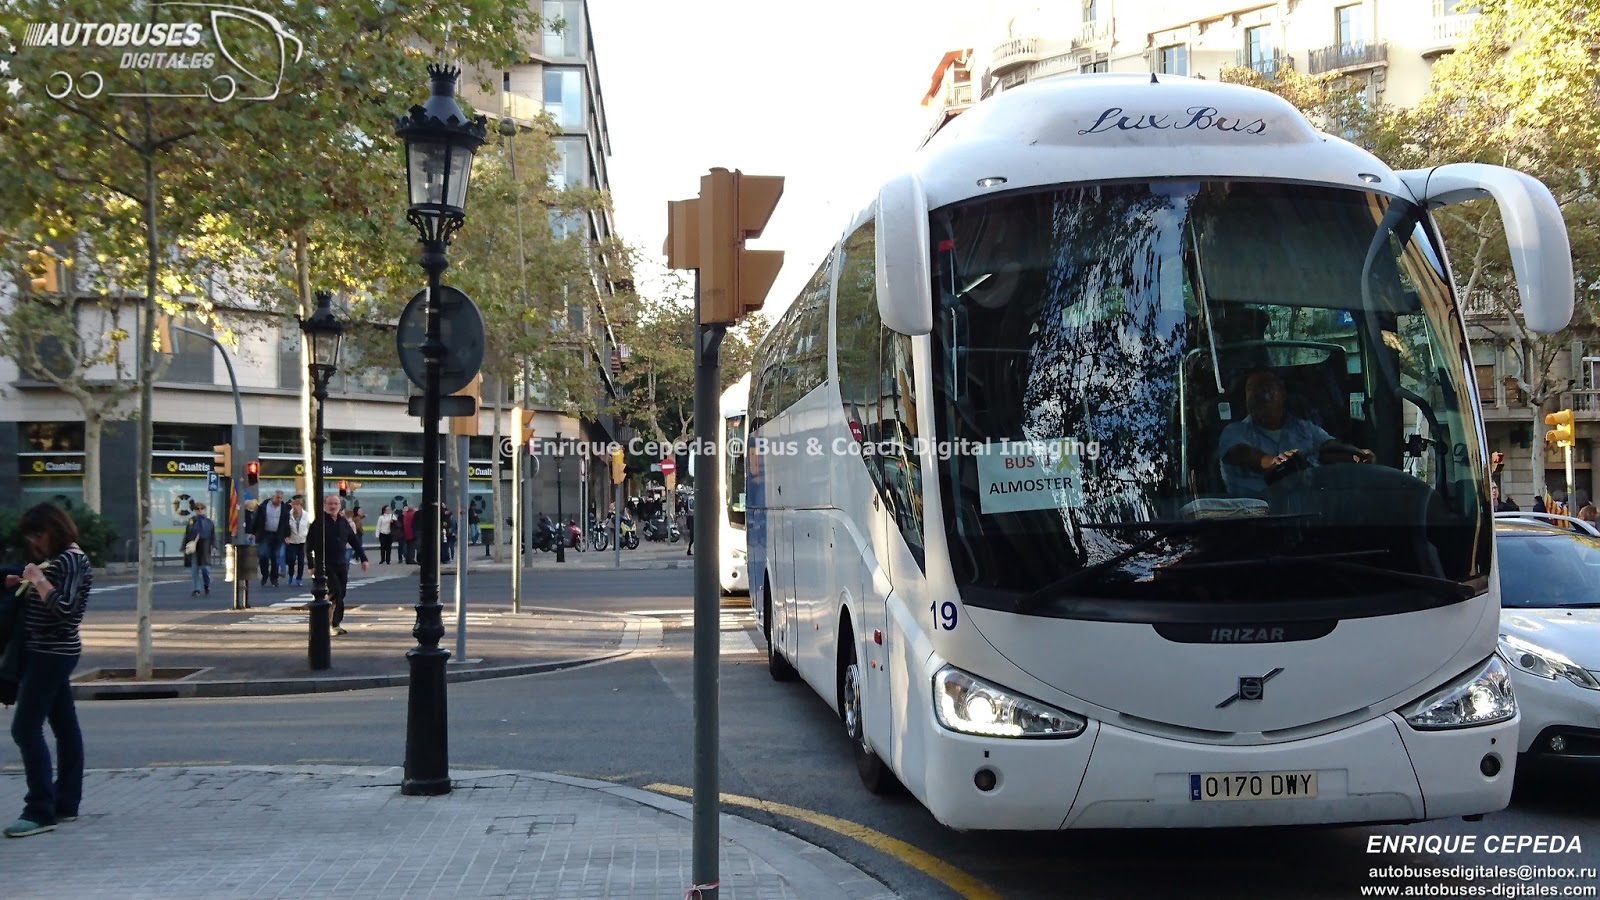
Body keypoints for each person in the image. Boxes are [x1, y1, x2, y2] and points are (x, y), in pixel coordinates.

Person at [2, 503, 91, 837]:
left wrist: (38, 580)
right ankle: (65, 801)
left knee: (25, 729)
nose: (34, 544)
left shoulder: (70, 560)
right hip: (48, 651)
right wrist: (23, 582)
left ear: (53, 530)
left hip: (51, 652)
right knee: (64, 726)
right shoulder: (62, 560)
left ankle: (40, 808)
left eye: (37, 535)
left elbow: (65, 610)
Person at [1217, 369, 1374, 499]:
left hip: (1308, 515)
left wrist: (1356, 455)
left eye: (1267, 387)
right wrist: (1279, 463)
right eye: (1252, 388)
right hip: (1253, 521)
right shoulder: (1234, 432)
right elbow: (1246, 455)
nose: (1260, 394)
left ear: (1283, 393)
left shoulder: (1304, 428)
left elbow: (1329, 448)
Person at [306, 493, 369, 637]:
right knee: (335, 593)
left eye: (336, 503)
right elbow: (309, 545)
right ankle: (330, 624)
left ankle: (336, 623)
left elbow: (354, 541)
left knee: (342, 594)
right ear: (325, 505)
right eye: (330, 504)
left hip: (341, 563)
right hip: (325, 564)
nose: (333, 506)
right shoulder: (319, 522)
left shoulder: (343, 522)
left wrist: (364, 558)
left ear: (340, 505)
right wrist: (311, 565)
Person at [250, 490, 291, 587]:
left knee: (275, 557)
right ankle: (265, 575)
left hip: (277, 535)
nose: (279, 500)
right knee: (263, 555)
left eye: (281, 498)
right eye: (277, 498)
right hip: (264, 534)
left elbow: (286, 523)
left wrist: (287, 536)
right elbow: (256, 519)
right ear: (273, 497)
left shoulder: (284, 508)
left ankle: (274, 578)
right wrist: (252, 532)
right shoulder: (263, 506)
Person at [183, 502, 216, 596]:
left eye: (201, 509)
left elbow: (212, 535)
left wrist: (213, 545)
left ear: (204, 510)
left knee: (205, 568)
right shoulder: (191, 521)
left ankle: (207, 584)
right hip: (194, 547)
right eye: (197, 509)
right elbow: (187, 534)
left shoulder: (209, 522)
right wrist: (184, 546)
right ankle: (196, 588)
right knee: (194, 568)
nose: (199, 511)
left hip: (205, 546)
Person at [283, 495, 309, 587]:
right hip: (291, 540)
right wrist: (285, 537)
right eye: (294, 505)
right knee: (291, 559)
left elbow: (307, 526)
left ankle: (299, 578)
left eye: (297, 505)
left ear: (301, 506)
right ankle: (290, 575)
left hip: (302, 540)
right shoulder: (288, 515)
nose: (295, 507)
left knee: (301, 560)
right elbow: (285, 526)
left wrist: (306, 535)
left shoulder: (306, 515)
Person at [683, 492, 695, 557]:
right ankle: (689, 550)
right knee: (692, 538)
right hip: (693, 525)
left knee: (692, 539)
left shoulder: (689, 499)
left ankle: (689, 550)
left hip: (691, 525)